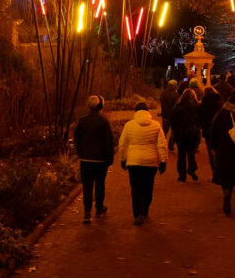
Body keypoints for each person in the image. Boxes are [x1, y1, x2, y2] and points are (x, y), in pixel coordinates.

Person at [117, 102, 168, 225]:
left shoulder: (129, 125)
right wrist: (163, 161)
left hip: (133, 162)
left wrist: (122, 159)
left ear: (136, 112)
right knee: (148, 187)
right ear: (147, 112)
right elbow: (162, 145)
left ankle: (137, 214)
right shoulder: (156, 125)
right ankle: (145, 210)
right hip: (150, 162)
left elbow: (122, 144)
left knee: (135, 188)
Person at [72, 95, 114, 224]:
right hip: (100, 160)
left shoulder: (82, 121)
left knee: (87, 186)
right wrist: (109, 158)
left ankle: (87, 212)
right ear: (100, 106)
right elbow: (109, 141)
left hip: (86, 160)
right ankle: (99, 207)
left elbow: (77, 139)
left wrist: (81, 153)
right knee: (100, 184)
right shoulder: (103, 122)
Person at [171, 88, 201, 181]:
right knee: (191, 152)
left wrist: (175, 129)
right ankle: (192, 169)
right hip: (192, 132)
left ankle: (182, 175)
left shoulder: (178, 105)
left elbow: (173, 120)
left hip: (180, 133)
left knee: (181, 154)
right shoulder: (196, 106)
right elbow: (199, 120)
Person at [198, 83, 224, 170]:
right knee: (220, 149)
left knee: (210, 150)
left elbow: (201, 118)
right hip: (220, 130)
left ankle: (214, 170)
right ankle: (221, 168)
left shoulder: (204, 104)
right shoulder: (221, 102)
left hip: (208, 130)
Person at [160, 79, 179, 145]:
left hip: (165, 115)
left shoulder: (163, 93)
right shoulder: (175, 94)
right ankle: (170, 144)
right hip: (173, 116)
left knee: (164, 131)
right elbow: (176, 106)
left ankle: (162, 144)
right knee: (173, 131)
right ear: (174, 86)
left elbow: (162, 103)